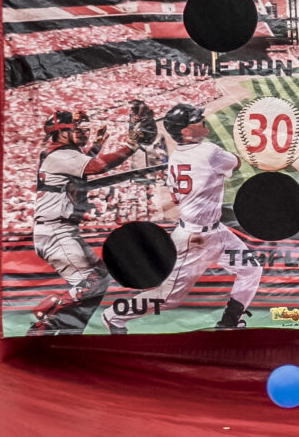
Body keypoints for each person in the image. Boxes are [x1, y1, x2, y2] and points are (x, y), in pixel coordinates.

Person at [101, 103, 261, 332]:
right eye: (196, 119)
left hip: (217, 233)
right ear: (186, 131)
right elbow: (236, 163)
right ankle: (114, 316)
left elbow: (176, 199)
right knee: (169, 298)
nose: (202, 119)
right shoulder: (209, 151)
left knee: (251, 269)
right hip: (193, 239)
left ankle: (230, 322)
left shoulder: (176, 156)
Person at [28, 107, 135, 334]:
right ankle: (44, 320)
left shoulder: (62, 154)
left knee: (101, 278)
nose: (82, 132)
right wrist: (131, 146)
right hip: (56, 231)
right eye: (76, 129)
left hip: (59, 230)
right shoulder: (60, 155)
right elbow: (96, 166)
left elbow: (82, 166)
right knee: (90, 283)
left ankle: (70, 328)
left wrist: (96, 146)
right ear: (61, 132)